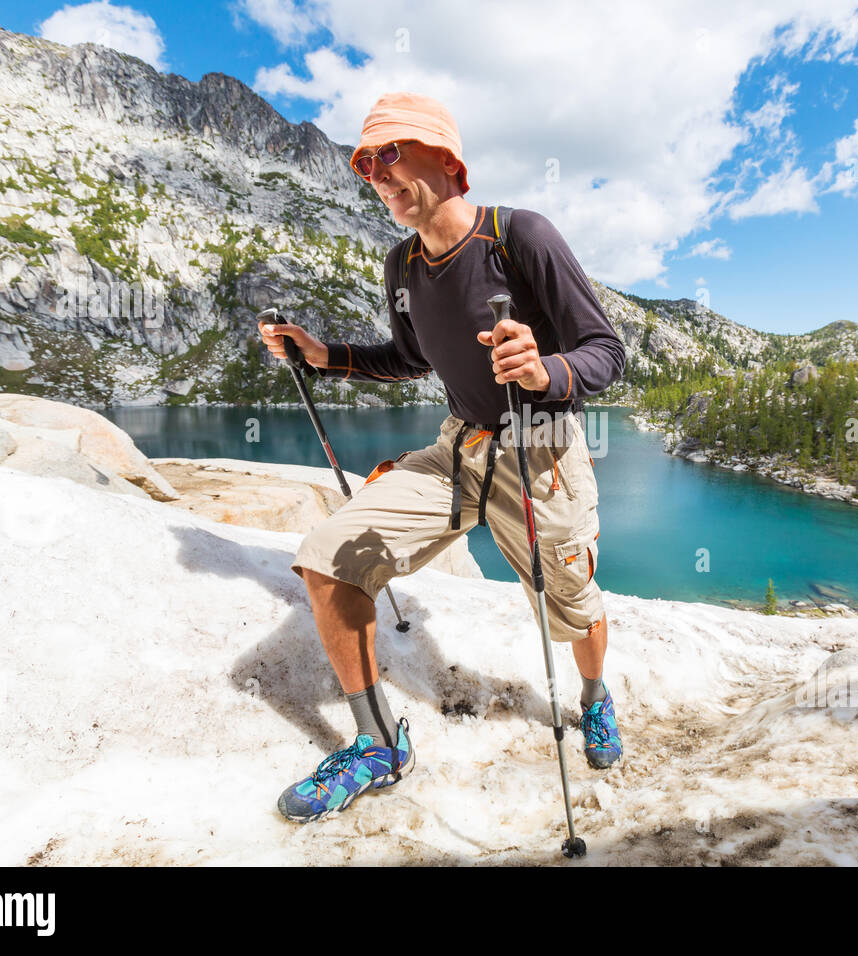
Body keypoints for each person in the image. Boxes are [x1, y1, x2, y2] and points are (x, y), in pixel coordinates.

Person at [258, 91, 627, 823]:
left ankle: (594, 697)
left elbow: (606, 353)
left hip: (543, 457)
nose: (374, 174)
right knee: (327, 555)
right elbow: (409, 356)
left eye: (387, 153)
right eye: (363, 164)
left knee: (571, 610)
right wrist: (322, 355)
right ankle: (376, 747)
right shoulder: (400, 265)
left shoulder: (522, 237)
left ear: (449, 161)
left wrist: (545, 369)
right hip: (459, 449)